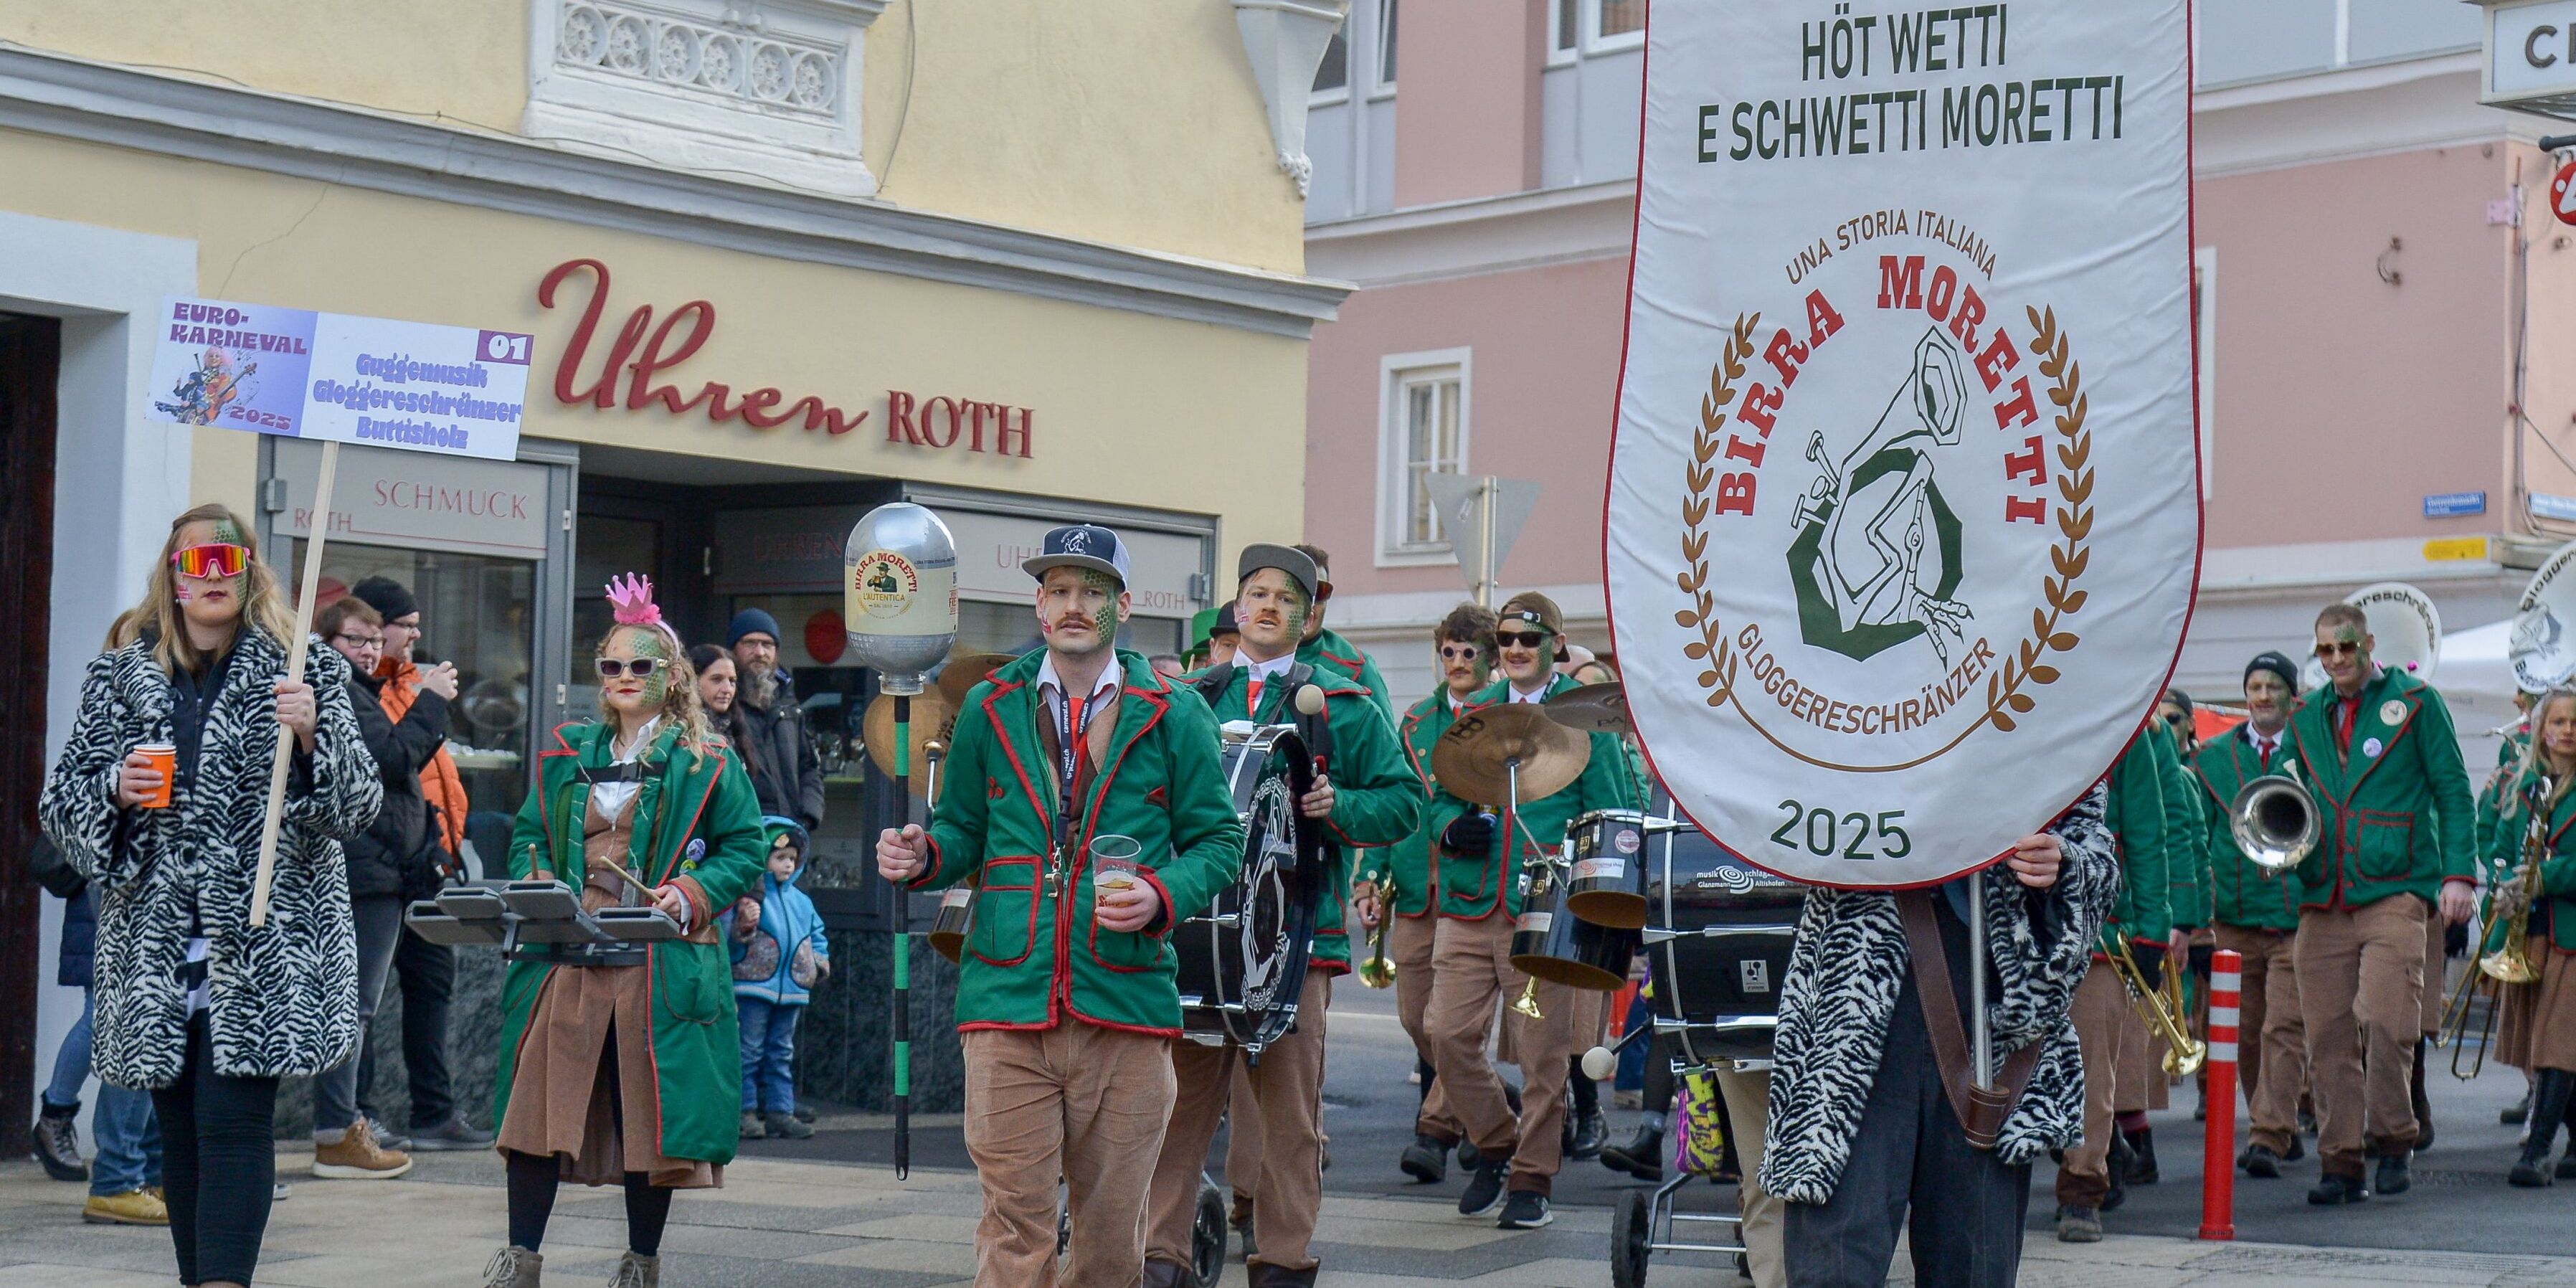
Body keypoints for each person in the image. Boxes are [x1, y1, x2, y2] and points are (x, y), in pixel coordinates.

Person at [873, 523, 1244, 1288]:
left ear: (1124, 605)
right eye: (1060, 591)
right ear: (1039, 607)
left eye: (1093, 592)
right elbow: (963, 830)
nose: (1074, 605)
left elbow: (1218, 842)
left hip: (1126, 1001)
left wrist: (1160, 892)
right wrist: (924, 856)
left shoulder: (1174, 711)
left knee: (1111, 1243)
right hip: (1007, 996)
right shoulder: (989, 703)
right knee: (1015, 1227)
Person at [40, 503, 383, 1288]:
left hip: (264, 935)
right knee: (180, 1131)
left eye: (229, 562)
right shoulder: (121, 673)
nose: (214, 576)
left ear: (251, 571)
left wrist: (312, 735)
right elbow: (62, 807)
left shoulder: (307, 668)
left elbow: (359, 806)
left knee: (232, 1122)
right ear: (173, 574)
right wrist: (115, 789)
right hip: (156, 940)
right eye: (197, 564)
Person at [1143, 544, 1423, 1288]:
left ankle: (1282, 1260)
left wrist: (1342, 806)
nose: (1268, 606)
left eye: (1285, 598)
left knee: (1288, 1117)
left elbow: (1403, 802)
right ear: (1237, 610)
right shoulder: (1191, 698)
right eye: (1257, 594)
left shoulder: (1344, 702)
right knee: (1179, 1106)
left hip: (1296, 936)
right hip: (1199, 934)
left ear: (1307, 618)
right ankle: (1160, 1254)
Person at [483, 574, 770, 1288]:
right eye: (611, 664)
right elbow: (527, 835)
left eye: (639, 664)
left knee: (651, 1116)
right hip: (567, 955)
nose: (622, 676)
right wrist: (540, 877)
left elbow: (745, 848)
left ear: (670, 675)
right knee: (535, 1109)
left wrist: (690, 892)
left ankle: (640, 1264)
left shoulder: (708, 758)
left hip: (658, 961)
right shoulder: (564, 752)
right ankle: (519, 1261)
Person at [1770, 790, 2118, 1287]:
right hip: (1852, 1007)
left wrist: (2063, 864)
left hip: (1992, 1014)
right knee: (1836, 1261)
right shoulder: (1842, 713)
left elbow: (2095, 857)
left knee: (1974, 1262)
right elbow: (1780, 814)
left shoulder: (2049, 718)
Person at [1428, 592, 1642, 1229]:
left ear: (1554, 644)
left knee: (1544, 1055)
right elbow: (1436, 800)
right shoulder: (1475, 714)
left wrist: (1598, 900)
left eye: (1529, 638)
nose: (1515, 649)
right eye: (1507, 640)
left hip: (1546, 909)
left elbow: (1612, 818)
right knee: (1444, 1035)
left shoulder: (1581, 719)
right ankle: (1496, 1141)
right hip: (1470, 904)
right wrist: (1448, 832)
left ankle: (1532, 1177)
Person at [2281, 602, 2475, 1203]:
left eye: (2347, 648)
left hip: (2397, 886)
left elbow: (2453, 789)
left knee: (2388, 1023)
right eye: (2326, 651)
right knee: (2328, 1035)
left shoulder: (2417, 702)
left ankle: (2394, 1138)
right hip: (2323, 893)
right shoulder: (2305, 715)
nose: (2337, 660)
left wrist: (2459, 876)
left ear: (2369, 645)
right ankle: (2341, 1162)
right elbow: (2291, 794)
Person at [348, 574, 490, 1152]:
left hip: (424, 862)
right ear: (374, 627)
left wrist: (440, 850)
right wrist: (432, 699)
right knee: (363, 999)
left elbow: (429, 779)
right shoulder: (358, 688)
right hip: (379, 865)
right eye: (404, 625)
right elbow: (391, 760)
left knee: (433, 985)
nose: (415, 635)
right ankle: (360, 1115)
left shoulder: (410, 682)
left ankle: (435, 1112)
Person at [306, 595, 445, 1180]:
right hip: (365, 871)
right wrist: (432, 700)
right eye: (355, 640)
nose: (367, 651)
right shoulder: (336, 690)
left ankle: (342, 1125)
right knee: (350, 1005)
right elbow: (392, 759)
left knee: (355, 1005)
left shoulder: (352, 688)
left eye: (371, 641)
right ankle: (338, 1128)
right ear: (329, 641)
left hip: (386, 869)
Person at [1363, 601, 1497, 1185]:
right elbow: (1390, 797)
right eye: (1450, 651)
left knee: (1451, 1023)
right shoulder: (1415, 720)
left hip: (1475, 890)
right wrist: (1370, 875)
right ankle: (1487, 1102)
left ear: (1491, 660)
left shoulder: (1504, 719)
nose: (1458, 662)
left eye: (1470, 653)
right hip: (1417, 884)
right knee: (1416, 1017)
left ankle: (1437, 1127)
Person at [2050, 719, 2174, 1241]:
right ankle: (2101, 1152)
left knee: (2089, 1068)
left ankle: (2083, 1189)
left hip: (2098, 925)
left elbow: (2148, 832)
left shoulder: (2129, 722)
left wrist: (2154, 929)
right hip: (2010, 924)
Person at [2191, 652, 2311, 1177]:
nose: (2263, 696)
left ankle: (2267, 1134)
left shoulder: (2312, 751)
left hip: (2294, 916)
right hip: (2235, 916)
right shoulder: (2213, 756)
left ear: (2292, 696)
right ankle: (2278, 1123)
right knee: (2243, 1031)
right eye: (2255, 686)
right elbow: (2197, 833)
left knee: (2284, 1028)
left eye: (2273, 686)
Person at [31, 835, 169, 1225]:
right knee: (124, 1023)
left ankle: (145, 1174)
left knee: (143, 1025)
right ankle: (117, 1177)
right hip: (120, 896)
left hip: (130, 892)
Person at [2489, 686, 2576, 1185]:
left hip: (2570, 929)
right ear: (2542, 730)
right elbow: (2504, 853)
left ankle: (2536, 1152)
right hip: (2533, 930)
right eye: (2558, 722)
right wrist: (2501, 894)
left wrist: (2548, 876)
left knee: (2557, 1044)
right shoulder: (2523, 788)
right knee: (2540, 1043)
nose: (2566, 730)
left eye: (2574, 722)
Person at [730, 818, 830, 1142]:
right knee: (750, 1050)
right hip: (755, 985)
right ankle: (744, 1112)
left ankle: (780, 1112)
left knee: (781, 1052)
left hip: (793, 989)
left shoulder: (803, 901)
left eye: (792, 859)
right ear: (763, 858)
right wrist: (743, 928)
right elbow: (736, 935)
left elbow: (817, 934)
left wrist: (818, 962)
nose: (788, 865)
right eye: (779, 857)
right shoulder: (751, 899)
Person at [728, 607, 825, 831]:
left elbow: (810, 767)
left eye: (768, 644)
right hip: (742, 837)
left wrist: (808, 816)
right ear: (733, 649)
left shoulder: (789, 707)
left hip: (789, 836)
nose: (760, 652)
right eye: (750, 643)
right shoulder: (724, 706)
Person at [1289, 545, 1393, 717]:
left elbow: (1385, 742)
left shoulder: (1358, 666)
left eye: (1319, 592)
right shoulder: (1249, 660)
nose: (1308, 603)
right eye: (1297, 591)